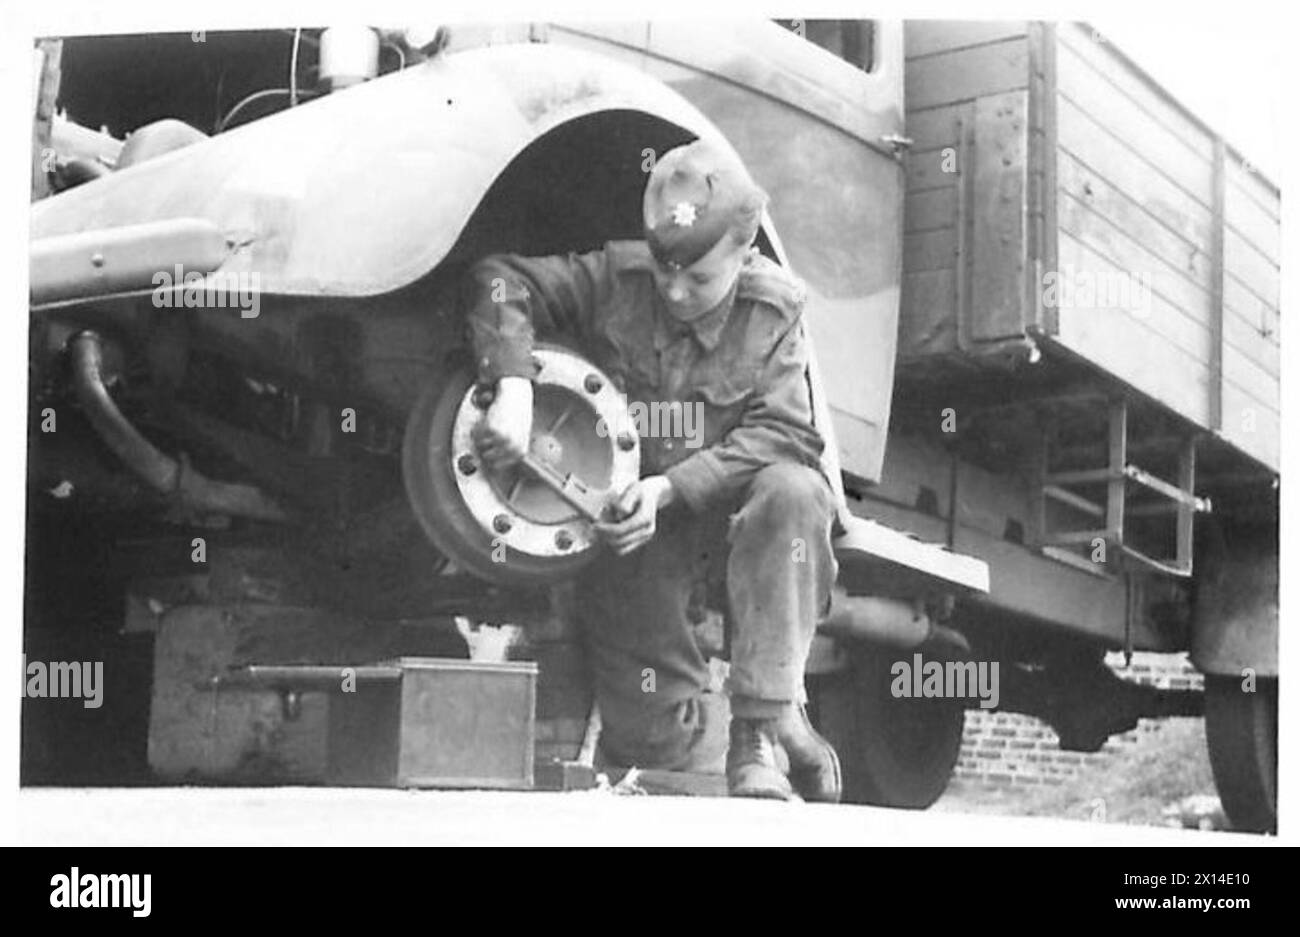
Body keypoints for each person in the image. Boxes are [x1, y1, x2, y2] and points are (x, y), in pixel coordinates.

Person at [463, 138, 841, 801]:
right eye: (665, 268)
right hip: (637, 545)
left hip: (731, 532)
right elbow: (499, 278)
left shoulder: (772, 311)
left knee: (794, 490)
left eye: (697, 278)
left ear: (743, 251)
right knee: (651, 745)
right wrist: (514, 381)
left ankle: (760, 731)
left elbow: (788, 434)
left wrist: (670, 486)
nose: (672, 289)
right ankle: (790, 731)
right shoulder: (619, 278)